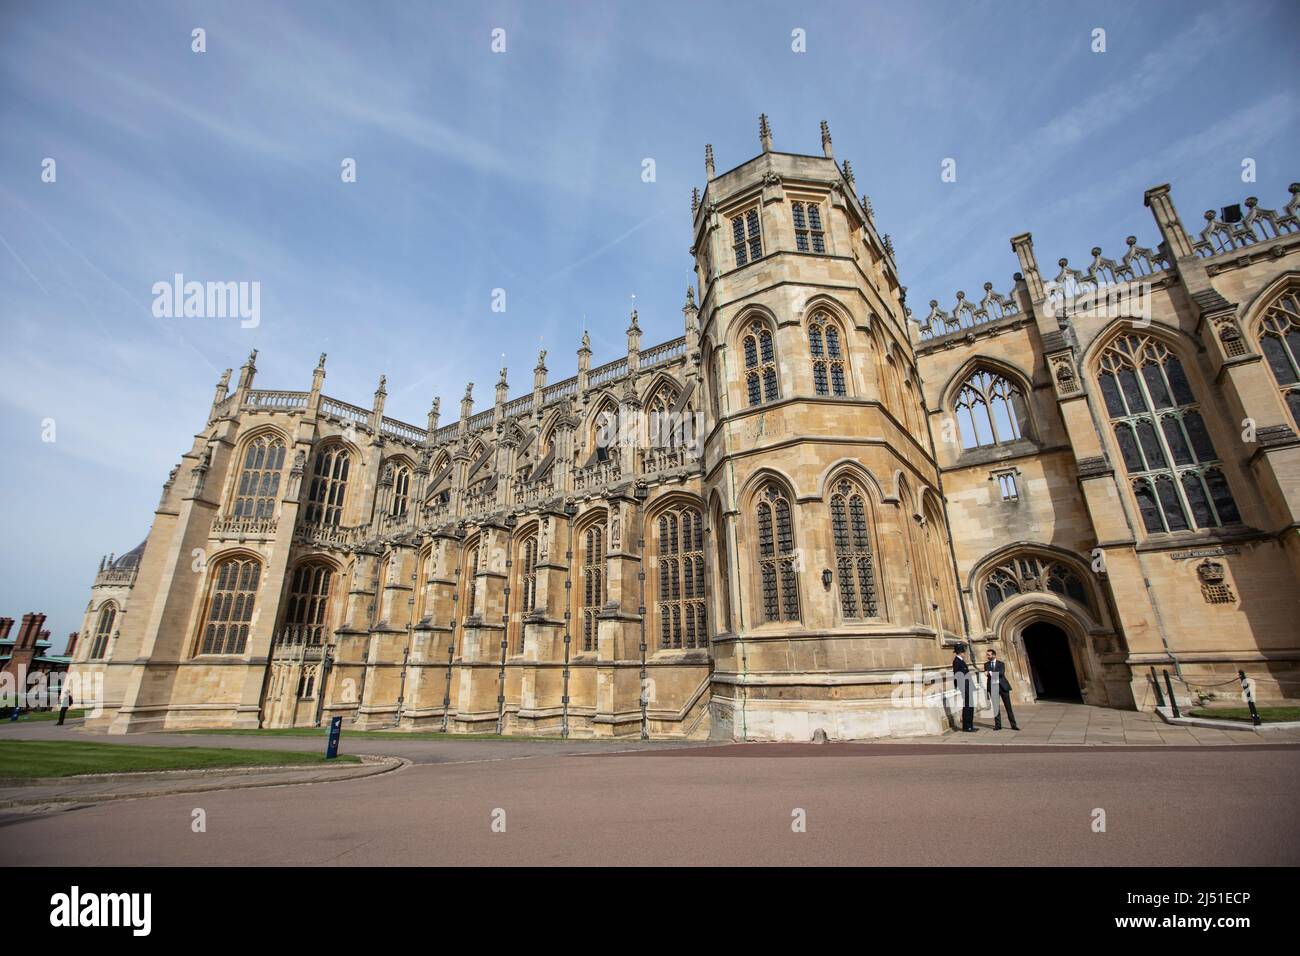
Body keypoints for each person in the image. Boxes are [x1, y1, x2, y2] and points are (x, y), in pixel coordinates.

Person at [984, 649, 1019, 731]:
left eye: (989, 655)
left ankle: (1013, 725)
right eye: (987, 655)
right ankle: (998, 725)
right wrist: (991, 673)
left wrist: (990, 673)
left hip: (1003, 687)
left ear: (994, 655)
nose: (988, 656)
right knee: (996, 708)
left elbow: (1001, 673)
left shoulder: (1001, 664)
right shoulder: (986, 664)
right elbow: (988, 674)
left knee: (1008, 707)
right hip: (993, 688)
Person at [952, 644, 976, 732]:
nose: (964, 654)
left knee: (970, 706)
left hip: (968, 685)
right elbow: (957, 675)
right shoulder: (957, 661)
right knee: (967, 706)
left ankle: (970, 725)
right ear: (961, 652)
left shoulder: (960, 660)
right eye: (963, 652)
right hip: (964, 686)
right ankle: (967, 726)